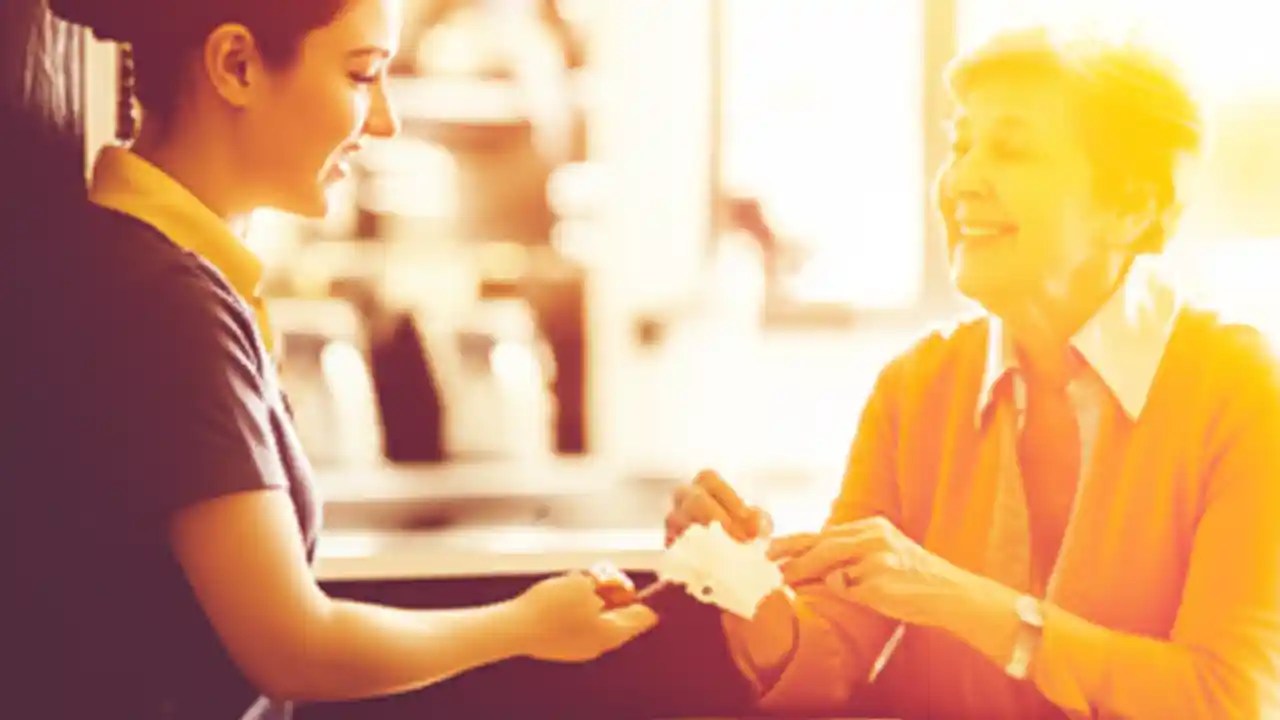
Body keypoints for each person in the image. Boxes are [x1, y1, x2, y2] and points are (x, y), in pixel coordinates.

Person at [7, 1, 655, 718]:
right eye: (362, 75)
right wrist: (525, 626)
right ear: (237, 65)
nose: (384, 121)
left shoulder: (159, 275)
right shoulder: (164, 306)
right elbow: (293, 647)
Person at [666, 27, 1280, 719]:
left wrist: (965, 602)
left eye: (1011, 149)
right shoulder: (918, 387)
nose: (960, 179)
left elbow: (1229, 699)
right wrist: (740, 582)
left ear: (1131, 206)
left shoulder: (1242, 393)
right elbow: (829, 660)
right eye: (961, 146)